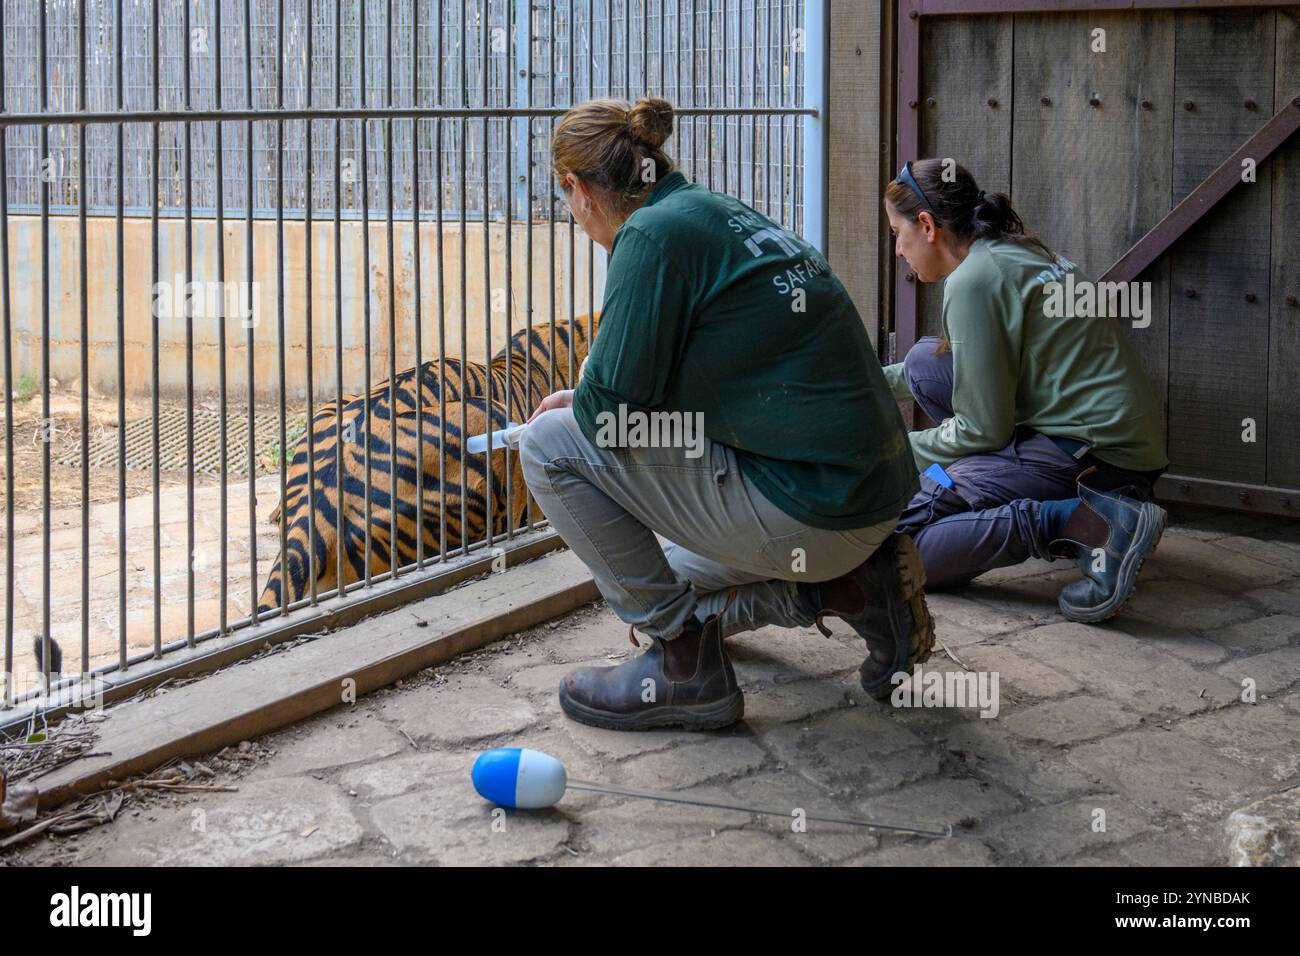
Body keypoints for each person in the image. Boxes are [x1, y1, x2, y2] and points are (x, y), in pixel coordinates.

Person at [517, 97, 933, 732]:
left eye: (566, 202)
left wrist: (587, 398)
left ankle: (684, 666)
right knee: (676, 576)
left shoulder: (649, 236)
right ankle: (856, 590)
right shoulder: (714, 211)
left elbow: (606, 421)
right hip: (867, 501)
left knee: (547, 444)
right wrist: (594, 399)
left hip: (816, 507)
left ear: (577, 188)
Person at [882, 159, 1169, 621]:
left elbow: (982, 432)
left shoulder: (973, 281)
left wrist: (887, 453)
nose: (898, 249)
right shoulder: (1016, 252)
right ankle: (1056, 502)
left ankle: (1092, 523)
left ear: (927, 225)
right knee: (923, 363)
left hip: (1090, 458)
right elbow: (964, 373)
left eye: (898, 232)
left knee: (902, 547)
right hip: (1119, 451)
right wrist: (860, 385)